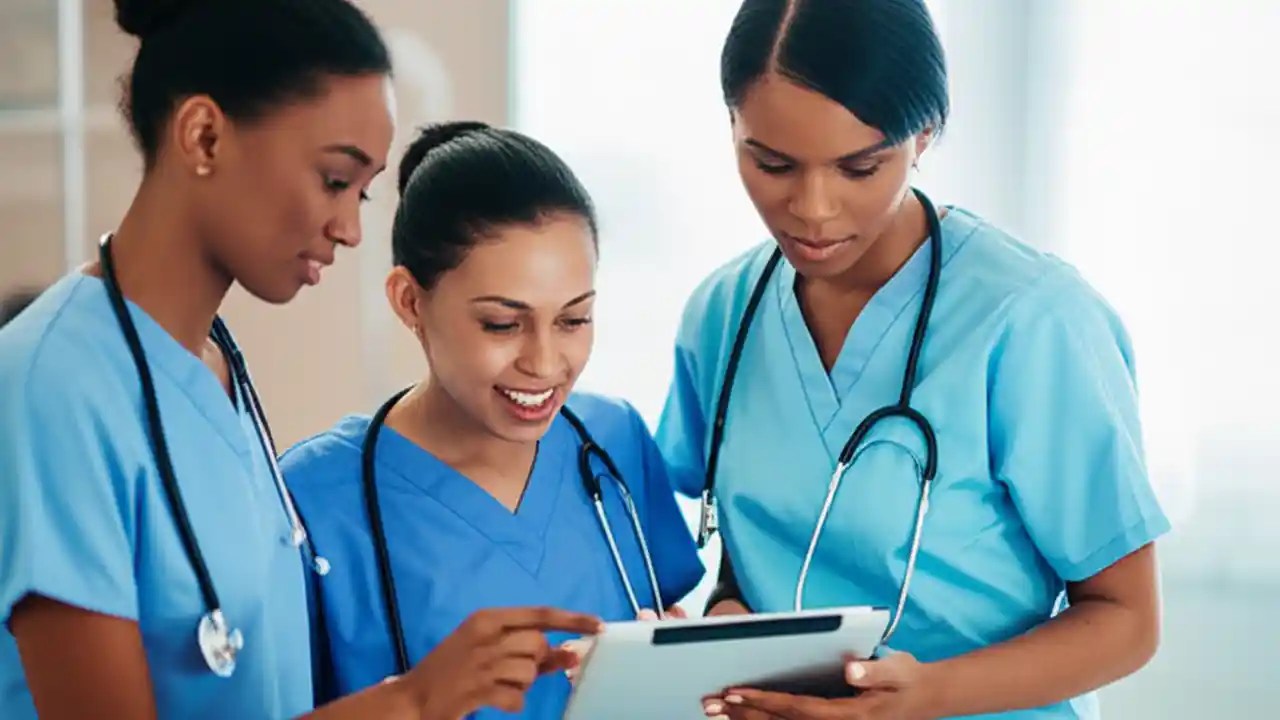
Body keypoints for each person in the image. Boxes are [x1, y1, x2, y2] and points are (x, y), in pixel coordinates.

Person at [0, 2, 601, 719]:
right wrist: (414, 700)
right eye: (333, 179)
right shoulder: (51, 385)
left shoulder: (217, 368)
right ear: (204, 135)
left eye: (364, 191)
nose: (350, 228)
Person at [655, 1, 1170, 719]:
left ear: (923, 135)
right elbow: (751, 554)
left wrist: (929, 695)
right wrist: (729, 624)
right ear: (732, 128)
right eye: (771, 163)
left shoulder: (1031, 319)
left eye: (859, 167)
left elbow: (1127, 620)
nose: (812, 209)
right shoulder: (723, 316)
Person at [280, 121, 706, 719]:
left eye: (573, 320)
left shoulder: (613, 441)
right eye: (503, 325)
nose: (545, 362)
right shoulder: (311, 498)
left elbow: (668, 634)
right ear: (410, 301)